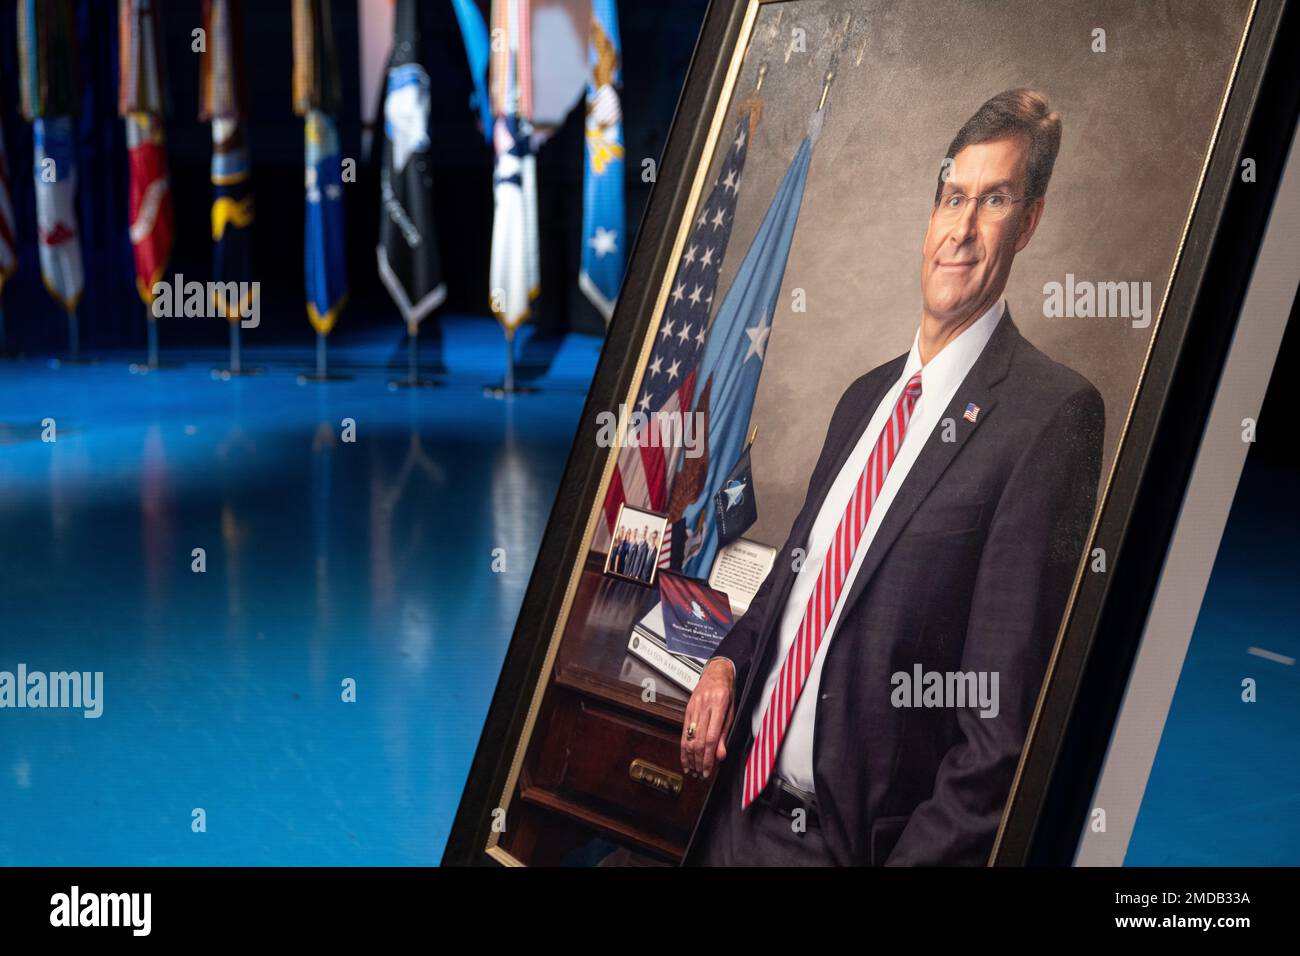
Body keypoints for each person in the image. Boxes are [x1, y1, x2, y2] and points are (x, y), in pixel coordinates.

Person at [681, 89, 1105, 866]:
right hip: (735, 817)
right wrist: (727, 661)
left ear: (1030, 221)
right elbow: (793, 583)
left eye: (995, 200)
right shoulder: (863, 399)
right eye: (953, 196)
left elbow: (998, 742)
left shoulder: (1051, 418)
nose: (963, 229)